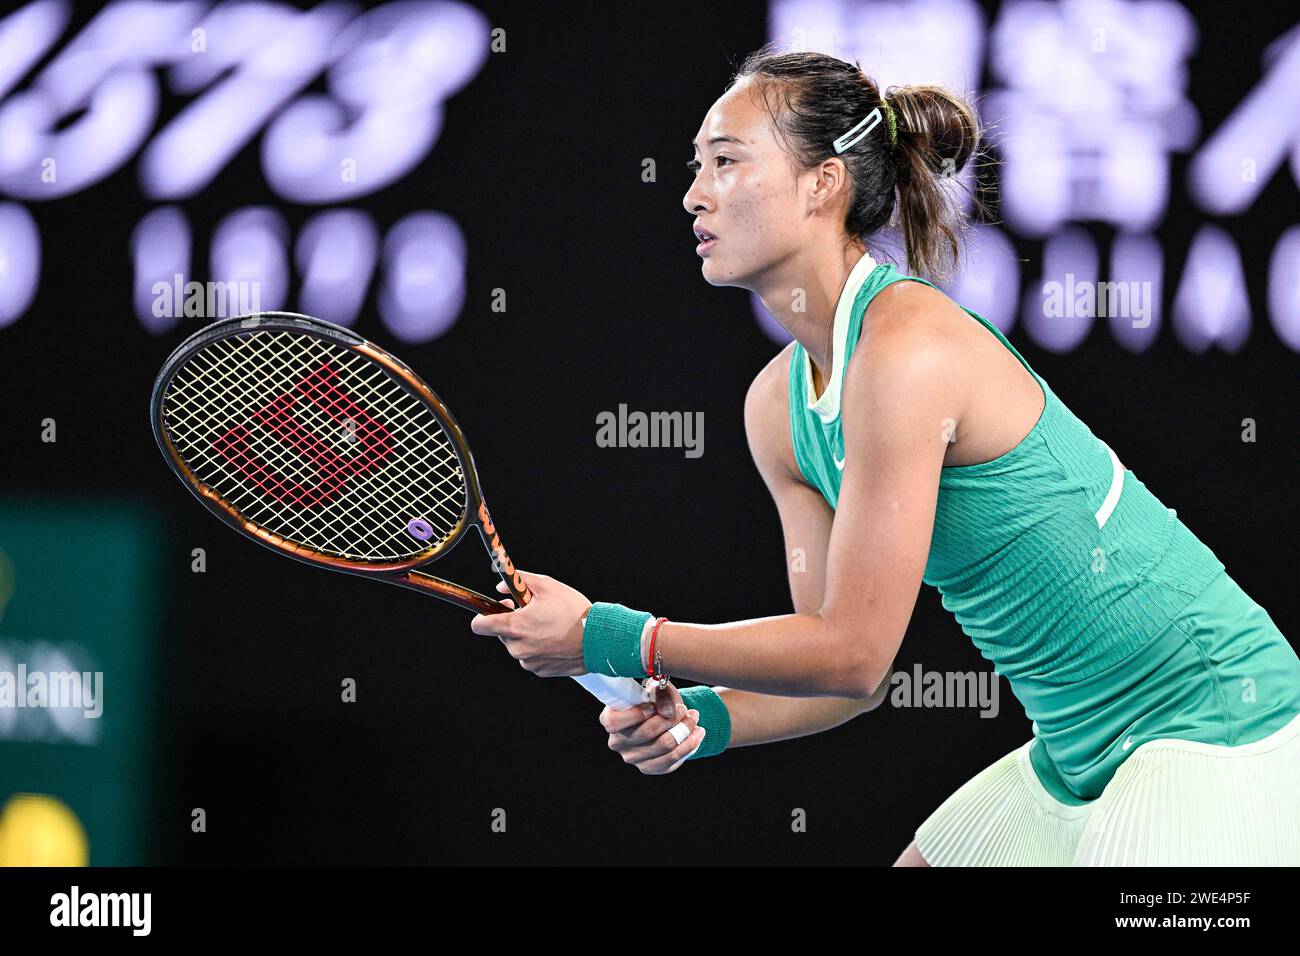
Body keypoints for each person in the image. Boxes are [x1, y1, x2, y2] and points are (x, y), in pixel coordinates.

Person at [470, 45, 1300, 866]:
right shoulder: (777, 408)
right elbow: (845, 681)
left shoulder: (906, 350)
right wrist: (702, 717)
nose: (693, 194)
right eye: (695, 167)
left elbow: (853, 647)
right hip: (1075, 749)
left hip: (1212, 719)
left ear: (823, 184)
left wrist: (613, 638)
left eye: (726, 162)